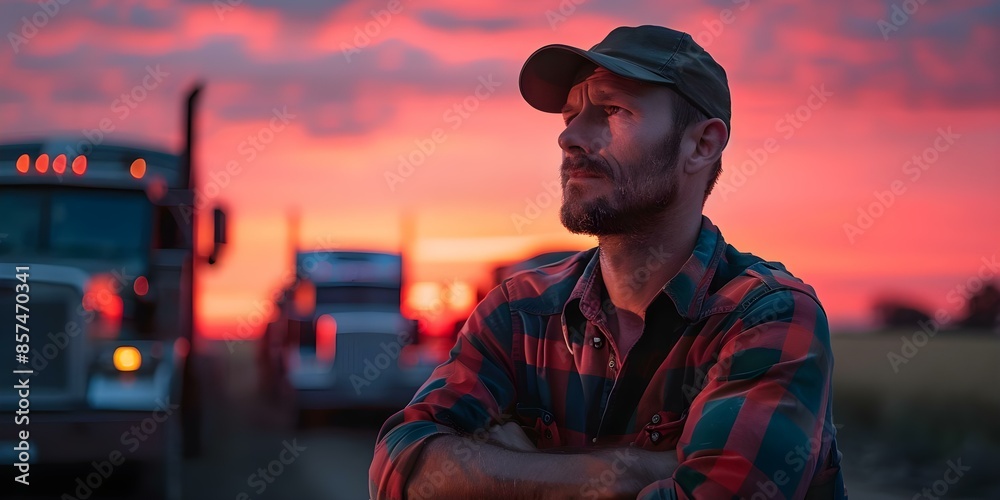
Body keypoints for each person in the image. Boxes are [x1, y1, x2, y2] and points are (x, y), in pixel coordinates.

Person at [370, 25, 845, 499]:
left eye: (613, 109)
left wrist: (509, 470)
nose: (570, 136)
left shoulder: (765, 316)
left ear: (702, 144)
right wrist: (627, 474)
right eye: (570, 115)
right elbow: (399, 469)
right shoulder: (518, 312)